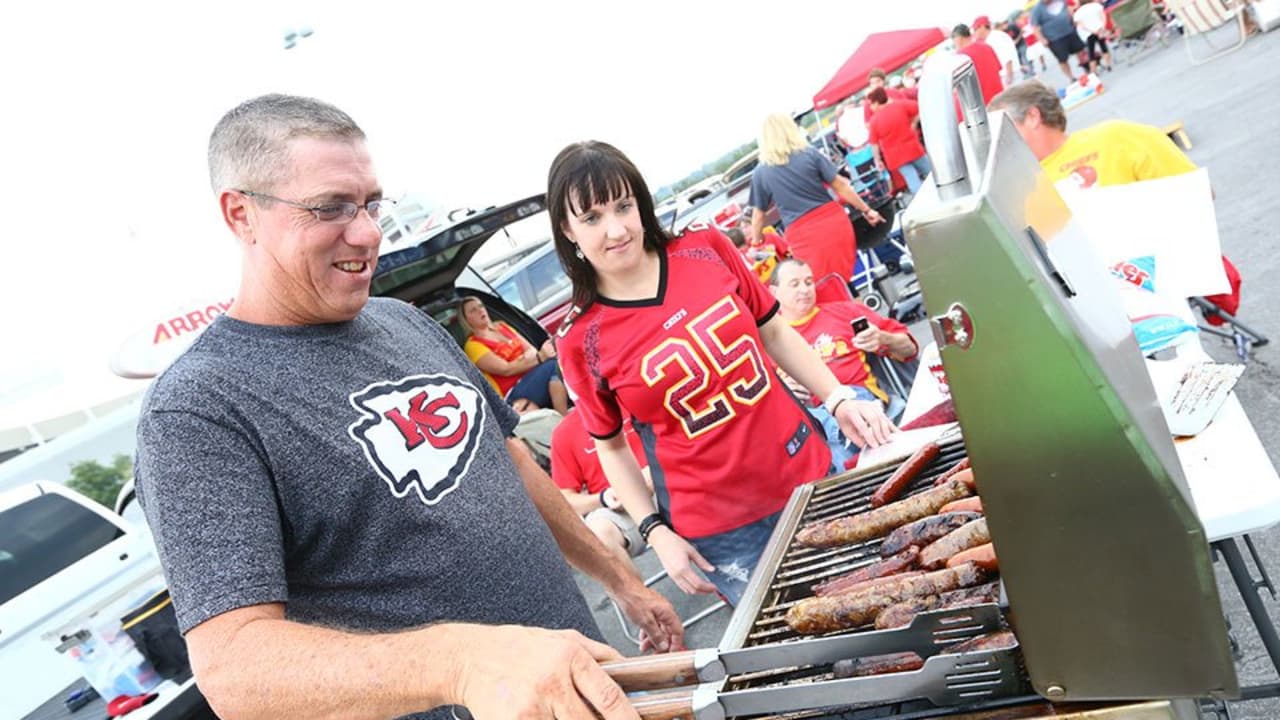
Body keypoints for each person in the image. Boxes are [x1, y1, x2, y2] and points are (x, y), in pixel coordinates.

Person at [133, 94, 685, 720]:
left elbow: (510, 467)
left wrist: (620, 580)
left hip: (582, 687)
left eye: (371, 203)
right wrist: (461, 662)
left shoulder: (405, 324)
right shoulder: (199, 410)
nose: (367, 231)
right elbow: (234, 669)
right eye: (331, 207)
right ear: (241, 215)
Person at [549, 141, 894, 605]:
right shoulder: (580, 338)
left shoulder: (705, 249)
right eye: (591, 218)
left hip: (807, 471)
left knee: (882, 592)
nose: (615, 229)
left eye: (623, 206)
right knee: (800, 646)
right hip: (722, 533)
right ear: (568, 230)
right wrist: (654, 532)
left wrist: (837, 397)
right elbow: (610, 446)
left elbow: (773, 332)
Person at [988, 81, 1242, 324]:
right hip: (1083, 292)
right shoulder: (1016, 184)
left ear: (1033, 117)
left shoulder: (1117, 138)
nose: (997, 143)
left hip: (1148, 272)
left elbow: (1197, 195)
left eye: (1003, 130)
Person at [769, 258, 915, 469]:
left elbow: (909, 348)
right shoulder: (770, 341)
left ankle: (847, 453)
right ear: (773, 291)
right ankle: (846, 438)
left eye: (809, 282)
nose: (805, 289)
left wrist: (884, 338)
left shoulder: (845, 312)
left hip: (860, 398)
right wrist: (783, 392)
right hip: (812, 417)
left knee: (834, 437)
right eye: (795, 284)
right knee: (811, 424)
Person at [748, 113, 885, 283]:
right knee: (843, 278)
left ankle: (847, 307)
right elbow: (841, 185)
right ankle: (857, 307)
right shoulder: (810, 154)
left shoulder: (761, 173)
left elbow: (758, 216)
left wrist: (756, 244)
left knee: (820, 284)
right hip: (833, 222)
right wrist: (867, 209)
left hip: (801, 234)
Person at [552, 407, 652, 569]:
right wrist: (603, 498)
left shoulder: (631, 398)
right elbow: (565, 499)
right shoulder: (564, 432)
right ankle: (638, 594)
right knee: (598, 534)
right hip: (618, 507)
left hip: (666, 480)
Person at [458, 295, 569, 414]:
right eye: (473, 310)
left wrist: (522, 361)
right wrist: (536, 358)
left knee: (557, 361)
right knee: (551, 366)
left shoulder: (501, 326)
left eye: (481, 306)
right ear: (466, 319)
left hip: (532, 376)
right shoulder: (473, 345)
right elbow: (506, 369)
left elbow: (531, 349)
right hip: (512, 394)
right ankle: (564, 417)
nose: (480, 310)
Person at [865, 88, 932, 195]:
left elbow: (874, 143)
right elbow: (920, 107)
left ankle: (926, 200)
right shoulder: (901, 105)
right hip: (913, 148)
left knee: (913, 181)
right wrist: (914, 122)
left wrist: (878, 160)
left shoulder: (874, 121)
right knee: (931, 173)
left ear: (877, 103)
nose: (870, 108)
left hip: (895, 157)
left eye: (871, 104)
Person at [1030, 0, 1089, 81]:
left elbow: (1068, 9)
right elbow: (1034, 26)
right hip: (1054, 39)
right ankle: (1071, 78)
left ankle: (1087, 69)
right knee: (1063, 59)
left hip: (1070, 31)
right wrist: (1042, 39)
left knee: (1080, 51)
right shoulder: (1037, 9)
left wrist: (1073, 19)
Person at [951, 24, 1006, 105]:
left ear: (959, 39)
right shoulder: (987, 46)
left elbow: (957, 87)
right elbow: (998, 68)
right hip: (999, 98)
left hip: (981, 105)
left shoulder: (960, 57)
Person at [974, 15, 1021, 86]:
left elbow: (1007, 57)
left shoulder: (995, 37)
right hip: (1009, 74)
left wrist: (1009, 76)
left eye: (975, 29)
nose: (975, 32)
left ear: (982, 27)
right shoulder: (993, 37)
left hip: (1008, 75)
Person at [1073, 0, 1113, 73]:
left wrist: (1092, 31)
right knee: (1103, 47)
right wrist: (1102, 27)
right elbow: (1103, 16)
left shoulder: (1077, 13)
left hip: (1089, 33)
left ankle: (1093, 71)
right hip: (1099, 29)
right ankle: (1108, 64)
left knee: (1091, 52)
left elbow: (1082, 26)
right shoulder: (1096, 6)